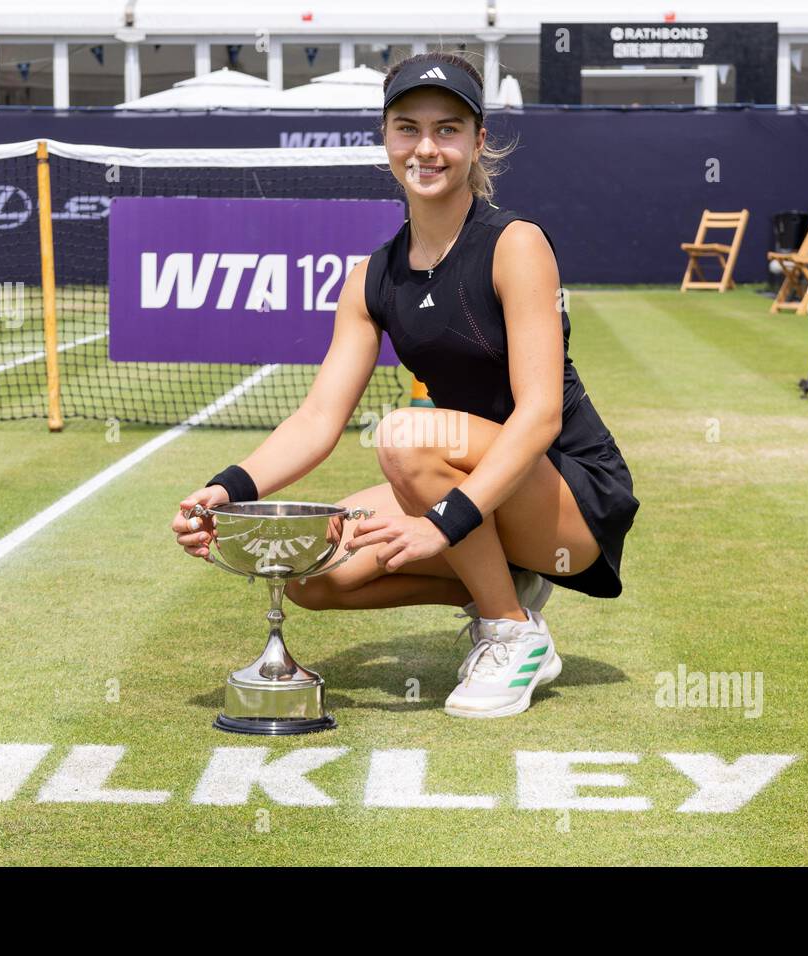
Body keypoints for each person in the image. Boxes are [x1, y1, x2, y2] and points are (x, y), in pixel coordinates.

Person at [171, 52, 639, 720]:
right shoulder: (370, 277)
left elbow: (538, 417)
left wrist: (444, 523)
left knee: (407, 434)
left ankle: (512, 632)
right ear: (385, 138)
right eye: (407, 127)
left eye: (448, 129)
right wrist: (224, 493)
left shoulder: (515, 244)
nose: (427, 147)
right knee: (318, 569)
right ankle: (501, 584)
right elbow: (316, 421)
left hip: (571, 495)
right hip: (469, 484)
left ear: (478, 141)